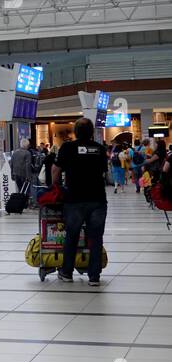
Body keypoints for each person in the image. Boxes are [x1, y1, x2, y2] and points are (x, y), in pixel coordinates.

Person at [53, 117, 108, 287]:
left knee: (72, 236)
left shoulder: (67, 147)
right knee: (96, 238)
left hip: (74, 199)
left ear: (75, 132)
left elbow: (56, 169)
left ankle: (67, 272)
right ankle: (94, 276)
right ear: (92, 132)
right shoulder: (99, 149)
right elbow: (104, 173)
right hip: (97, 199)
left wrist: (54, 186)